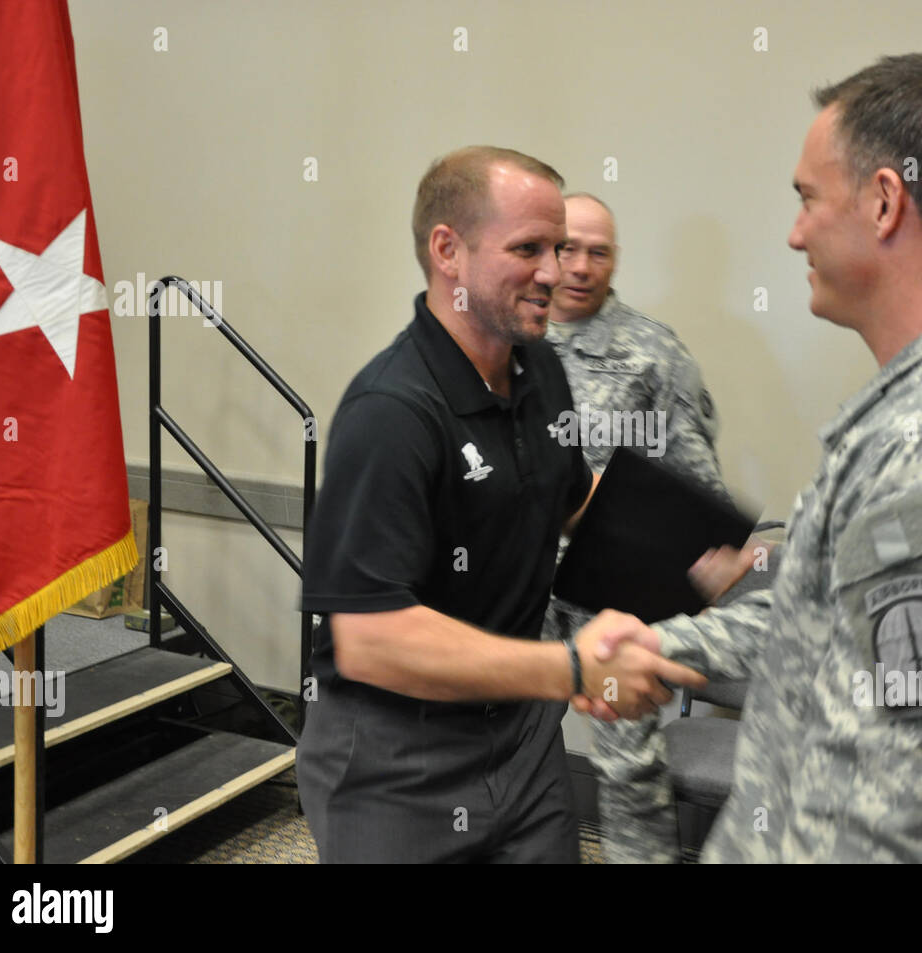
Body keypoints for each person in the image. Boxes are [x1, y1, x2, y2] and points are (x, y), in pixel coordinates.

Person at [599, 53, 922, 862]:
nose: (795, 231)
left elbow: (895, 816)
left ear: (883, 200)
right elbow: (830, 623)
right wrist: (668, 649)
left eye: (806, 198)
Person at [295, 146, 704, 863]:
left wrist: (701, 541)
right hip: (398, 760)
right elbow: (370, 637)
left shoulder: (539, 368)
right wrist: (573, 670)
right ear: (448, 251)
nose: (555, 272)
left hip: (521, 744)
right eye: (530, 249)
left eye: (560, 247)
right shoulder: (390, 410)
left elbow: (573, 502)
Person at [543, 192, 726, 863]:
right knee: (503, 744)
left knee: (628, 770)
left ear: (616, 258)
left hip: (613, 600)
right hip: (521, 588)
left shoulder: (654, 353)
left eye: (600, 251)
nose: (582, 265)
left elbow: (696, 490)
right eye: (568, 247)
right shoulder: (508, 344)